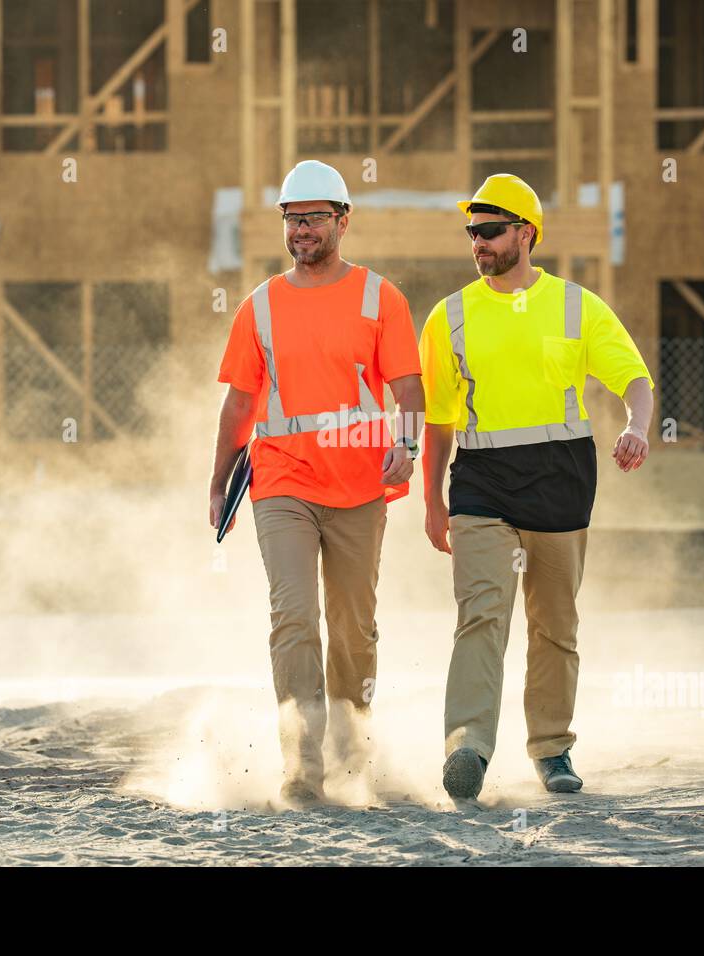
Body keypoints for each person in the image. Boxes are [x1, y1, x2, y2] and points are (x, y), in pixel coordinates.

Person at [418, 173, 654, 799]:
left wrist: (638, 428)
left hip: (560, 476)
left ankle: (552, 750)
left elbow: (634, 378)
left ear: (526, 233)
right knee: (481, 615)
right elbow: (438, 419)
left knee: (554, 625)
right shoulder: (450, 317)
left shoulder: (577, 306)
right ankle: (466, 745)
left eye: (491, 231)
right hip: (481, 481)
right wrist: (432, 501)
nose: (479, 243)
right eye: (472, 232)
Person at [210, 160, 425, 805]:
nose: (301, 229)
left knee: (354, 626)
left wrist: (407, 445)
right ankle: (302, 767)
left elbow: (409, 387)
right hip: (281, 483)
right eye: (291, 218)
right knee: (294, 617)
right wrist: (218, 481)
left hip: (360, 486)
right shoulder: (260, 307)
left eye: (314, 217)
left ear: (342, 220)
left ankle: (350, 754)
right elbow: (239, 404)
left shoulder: (379, 298)